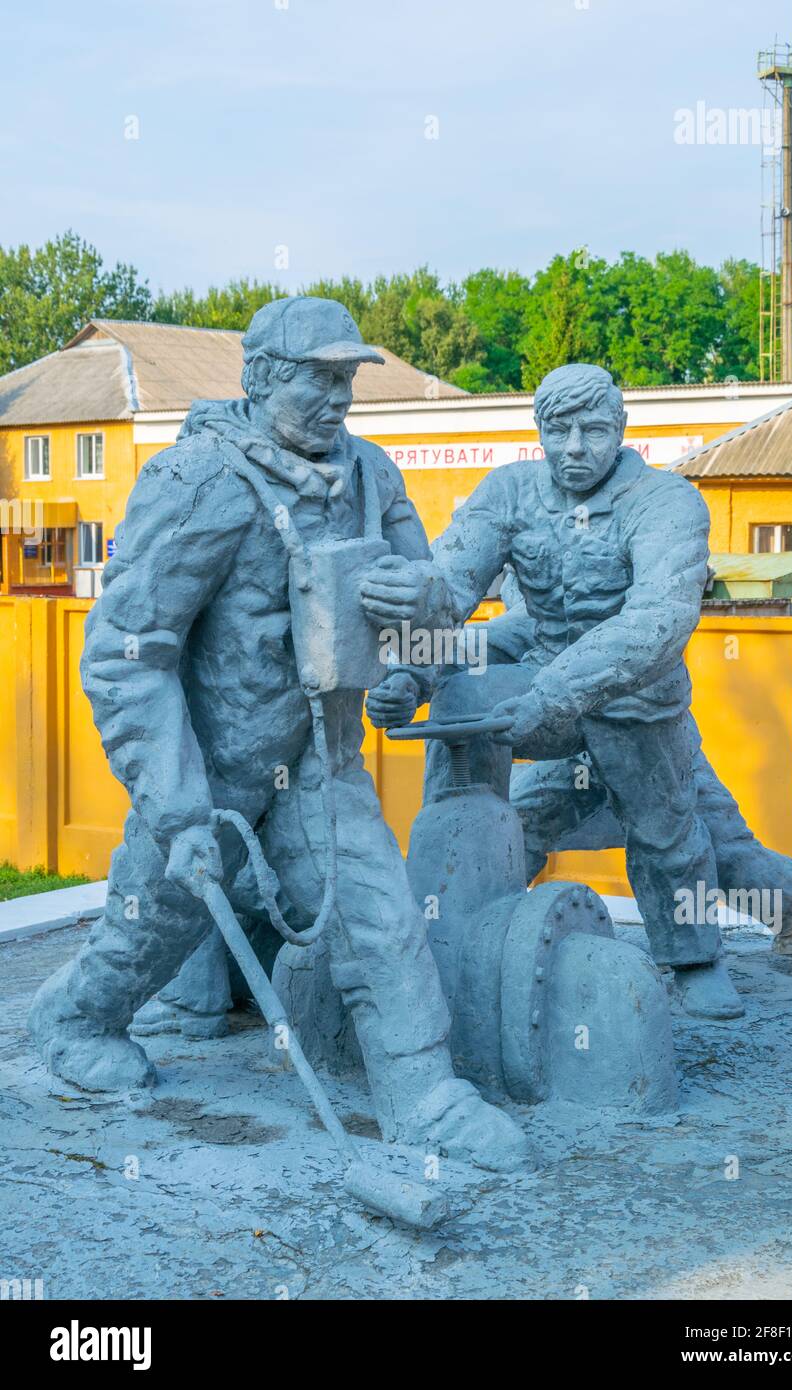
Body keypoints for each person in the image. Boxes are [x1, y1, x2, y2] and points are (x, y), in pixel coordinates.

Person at [28, 297, 530, 1174]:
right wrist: (180, 811)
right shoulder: (201, 483)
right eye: (315, 378)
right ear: (259, 379)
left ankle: (424, 1094)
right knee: (154, 924)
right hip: (212, 771)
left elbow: (438, 604)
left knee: (380, 918)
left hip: (323, 760)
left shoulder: (372, 476)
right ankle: (75, 1019)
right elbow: (127, 653)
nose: (336, 398)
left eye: (346, 379)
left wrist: (428, 601)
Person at [369, 362, 748, 1019]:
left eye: (593, 429)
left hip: (635, 697)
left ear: (623, 428)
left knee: (666, 833)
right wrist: (408, 671)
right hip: (541, 680)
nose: (575, 446)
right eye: (559, 429)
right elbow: (452, 585)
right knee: (469, 713)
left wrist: (553, 694)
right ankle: (455, 918)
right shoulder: (509, 493)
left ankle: (694, 959)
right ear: (539, 429)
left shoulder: (665, 501)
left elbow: (658, 621)